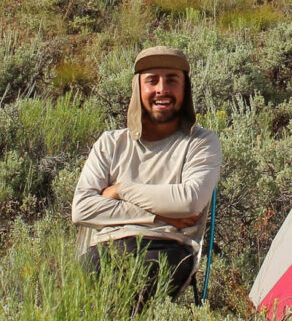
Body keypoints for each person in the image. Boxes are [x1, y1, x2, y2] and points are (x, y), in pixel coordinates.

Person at [71, 45, 221, 302]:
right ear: (138, 89)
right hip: (105, 248)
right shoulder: (110, 143)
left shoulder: (201, 142)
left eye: (172, 80)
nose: (162, 89)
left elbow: (189, 201)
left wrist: (121, 190)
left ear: (185, 89)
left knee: (131, 291)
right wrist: (159, 214)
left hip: (167, 248)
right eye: (152, 81)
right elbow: (82, 209)